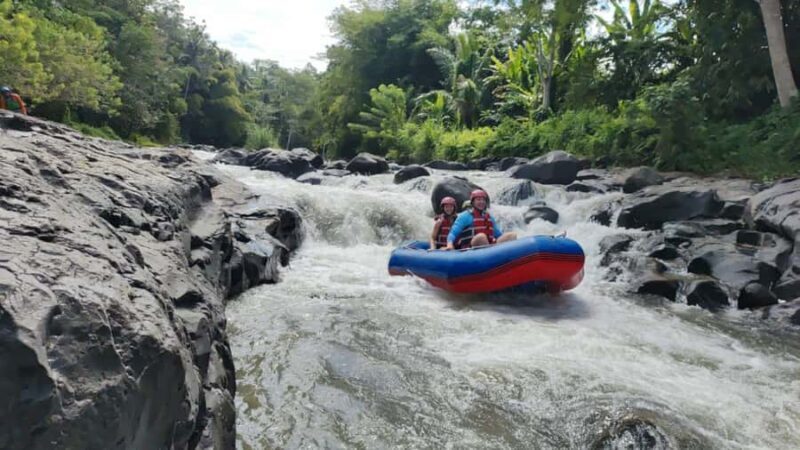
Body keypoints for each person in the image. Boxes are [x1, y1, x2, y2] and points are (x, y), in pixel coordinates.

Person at [445, 189, 517, 250]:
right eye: (478, 200)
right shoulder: (465, 216)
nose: (481, 202)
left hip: (490, 246)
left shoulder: (489, 217)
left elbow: (498, 235)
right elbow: (453, 233)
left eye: (483, 200)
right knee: (481, 237)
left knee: (512, 235)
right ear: (473, 202)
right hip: (470, 248)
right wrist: (449, 244)